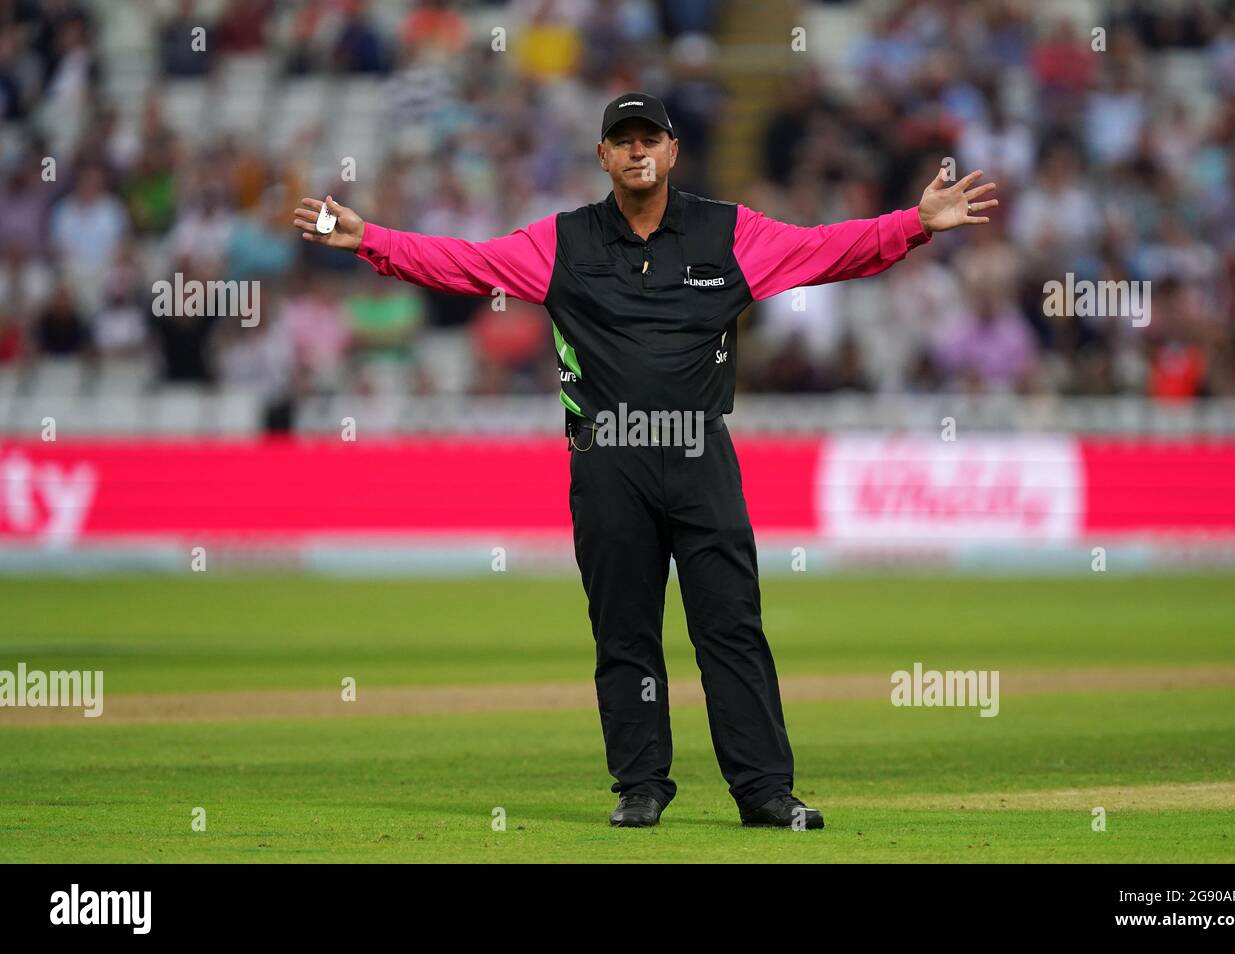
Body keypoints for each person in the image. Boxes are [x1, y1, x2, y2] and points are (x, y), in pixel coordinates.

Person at [291, 92, 997, 829]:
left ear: (671, 152)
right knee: (624, 630)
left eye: (648, 139)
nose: (636, 152)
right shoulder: (562, 241)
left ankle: (763, 791)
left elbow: (824, 250)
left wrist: (913, 225)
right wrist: (369, 237)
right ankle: (641, 786)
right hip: (608, 460)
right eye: (622, 140)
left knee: (731, 626)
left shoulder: (728, 233)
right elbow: (466, 264)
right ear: (602, 155)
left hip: (699, 455)